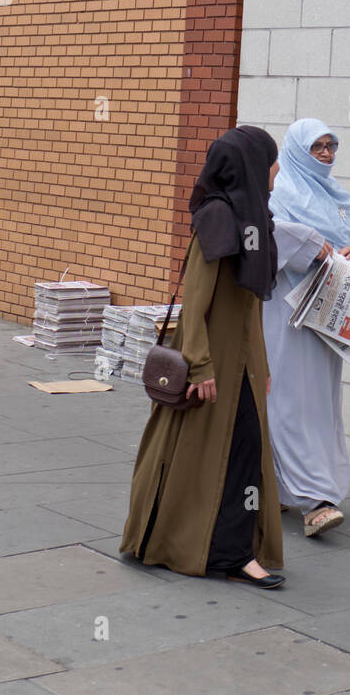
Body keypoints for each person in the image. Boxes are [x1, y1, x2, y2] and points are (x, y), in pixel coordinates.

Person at [120, 126, 285, 588]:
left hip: (243, 365)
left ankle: (225, 549)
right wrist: (200, 363)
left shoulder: (255, 219)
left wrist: (262, 366)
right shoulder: (219, 217)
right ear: (250, 166)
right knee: (214, 456)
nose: (277, 170)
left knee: (238, 454)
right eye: (271, 160)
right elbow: (195, 300)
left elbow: (250, 307)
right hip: (212, 364)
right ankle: (226, 553)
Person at [265, 118, 350, 538]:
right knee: (288, 398)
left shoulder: (337, 197)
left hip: (327, 313)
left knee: (321, 402)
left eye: (331, 146)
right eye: (318, 147)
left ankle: (288, 487)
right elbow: (269, 240)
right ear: (297, 150)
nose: (327, 154)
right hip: (285, 313)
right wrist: (310, 245)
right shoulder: (279, 192)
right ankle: (315, 500)